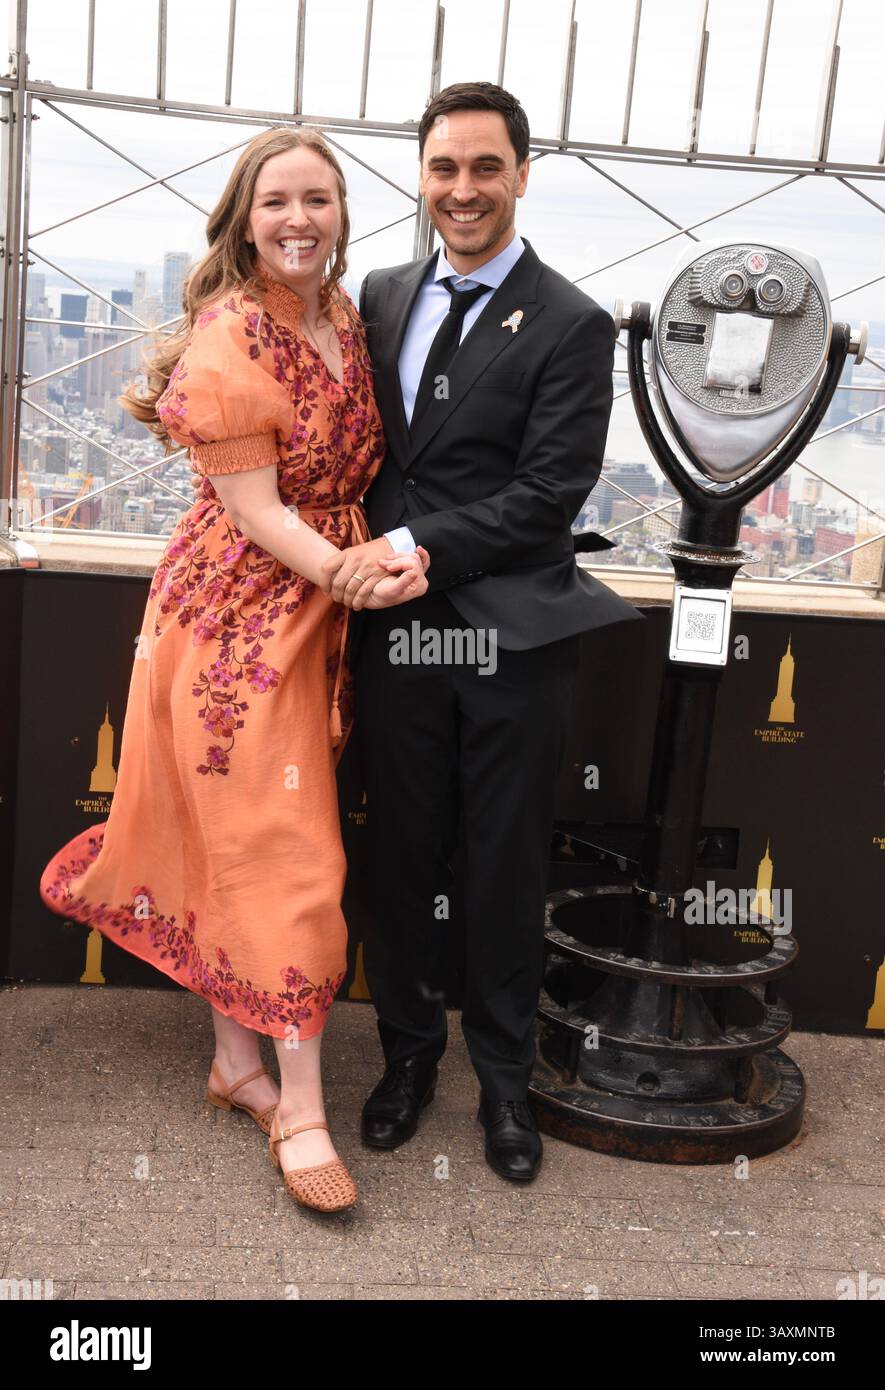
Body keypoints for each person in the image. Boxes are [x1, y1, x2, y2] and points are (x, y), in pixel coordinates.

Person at [38, 127, 429, 1214]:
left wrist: (374, 564)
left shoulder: (348, 317)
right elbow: (253, 512)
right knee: (291, 848)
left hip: (327, 605)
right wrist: (353, 574)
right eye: (277, 203)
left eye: (319, 198)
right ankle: (299, 1110)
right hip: (236, 619)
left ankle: (239, 1066)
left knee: (247, 839)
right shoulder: (230, 336)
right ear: (244, 220)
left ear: (344, 214)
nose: (299, 219)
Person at [320, 82, 644, 1183]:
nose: (463, 189)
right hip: (397, 642)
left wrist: (415, 550)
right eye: (444, 167)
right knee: (402, 858)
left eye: (485, 168)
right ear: (422, 174)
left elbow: (549, 493)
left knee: (504, 867)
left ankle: (506, 1084)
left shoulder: (570, 320)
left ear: (521, 174)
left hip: (510, 639)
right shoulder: (379, 290)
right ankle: (408, 1057)